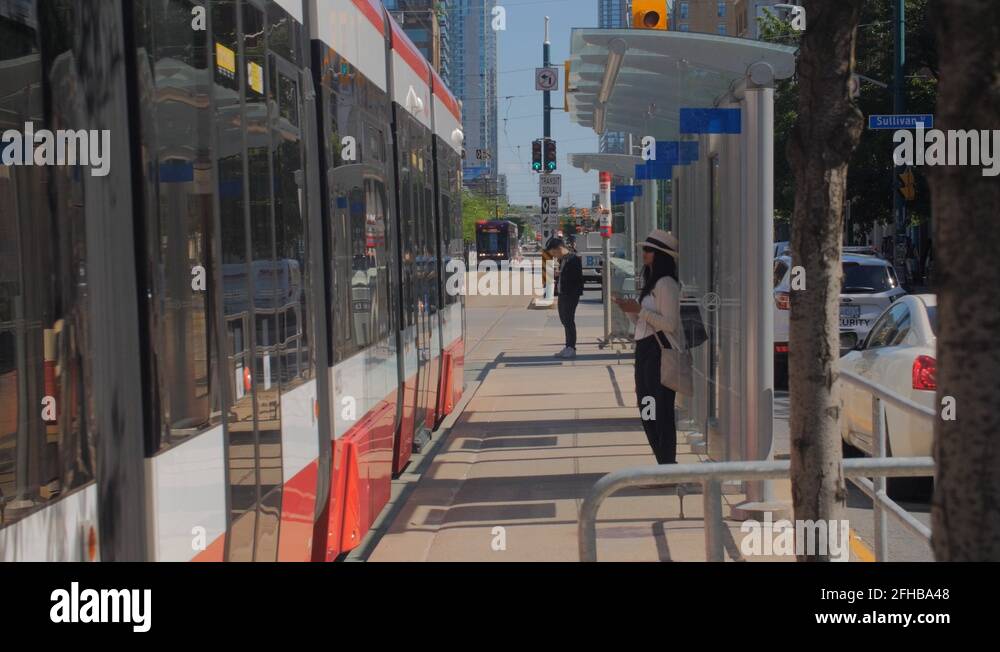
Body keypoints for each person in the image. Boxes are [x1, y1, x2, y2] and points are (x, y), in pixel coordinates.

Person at [613, 230, 682, 465]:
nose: (644, 253)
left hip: (658, 352)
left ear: (661, 255)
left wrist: (639, 310)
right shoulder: (653, 282)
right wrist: (630, 310)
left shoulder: (666, 284)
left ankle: (667, 467)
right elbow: (645, 322)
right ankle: (663, 465)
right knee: (647, 408)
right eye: (644, 249)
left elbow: (669, 324)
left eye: (649, 250)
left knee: (659, 411)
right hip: (645, 349)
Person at [545, 237, 583, 359]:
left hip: (570, 294)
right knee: (564, 319)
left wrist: (564, 279)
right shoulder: (564, 260)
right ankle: (568, 346)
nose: (555, 256)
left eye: (554, 253)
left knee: (568, 320)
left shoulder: (574, 259)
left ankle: (571, 347)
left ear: (559, 248)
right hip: (562, 293)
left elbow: (576, 279)